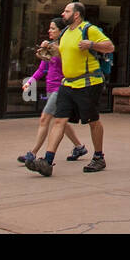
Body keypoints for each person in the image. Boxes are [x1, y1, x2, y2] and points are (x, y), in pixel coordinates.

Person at [25, 1, 113, 176]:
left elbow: (110, 47)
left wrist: (91, 45)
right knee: (59, 120)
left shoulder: (89, 29)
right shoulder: (65, 33)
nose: (63, 14)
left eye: (66, 11)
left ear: (76, 14)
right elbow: (62, 53)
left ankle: (98, 157)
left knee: (93, 121)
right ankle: (47, 161)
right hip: (67, 84)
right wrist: (47, 52)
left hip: (88, 83)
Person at [18, 17, 86, 166]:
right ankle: (79, 147)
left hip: (61, 88)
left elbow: (70, 64)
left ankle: (33, 153)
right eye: (49, 28)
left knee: (44, 119)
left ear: (61, 31)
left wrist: (54, 50)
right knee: (61, 122)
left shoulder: (65, 47)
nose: (49, 31)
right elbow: (42, 68)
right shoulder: (50, 46)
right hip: (51, 88)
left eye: (53, 28)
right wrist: (30, 82)